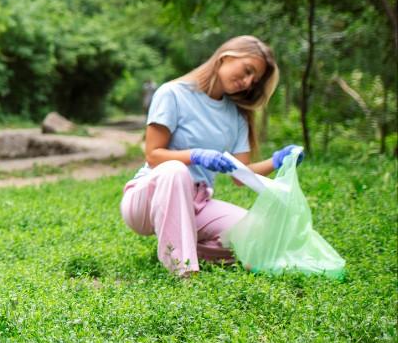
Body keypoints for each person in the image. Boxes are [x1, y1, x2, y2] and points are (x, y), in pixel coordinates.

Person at [121, 35, 302, 276]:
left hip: (196, 203)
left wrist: (278, 161)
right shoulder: (172, 93)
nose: (247, 82)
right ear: (226, 58)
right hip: (147, 199)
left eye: (253, 79)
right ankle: (184, 273)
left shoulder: (236, 116)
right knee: (176, 170)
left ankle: (183, 245)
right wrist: (195, 155)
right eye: (247, 70)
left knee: (257, 235)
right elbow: (153, 155)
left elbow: (241, 175)